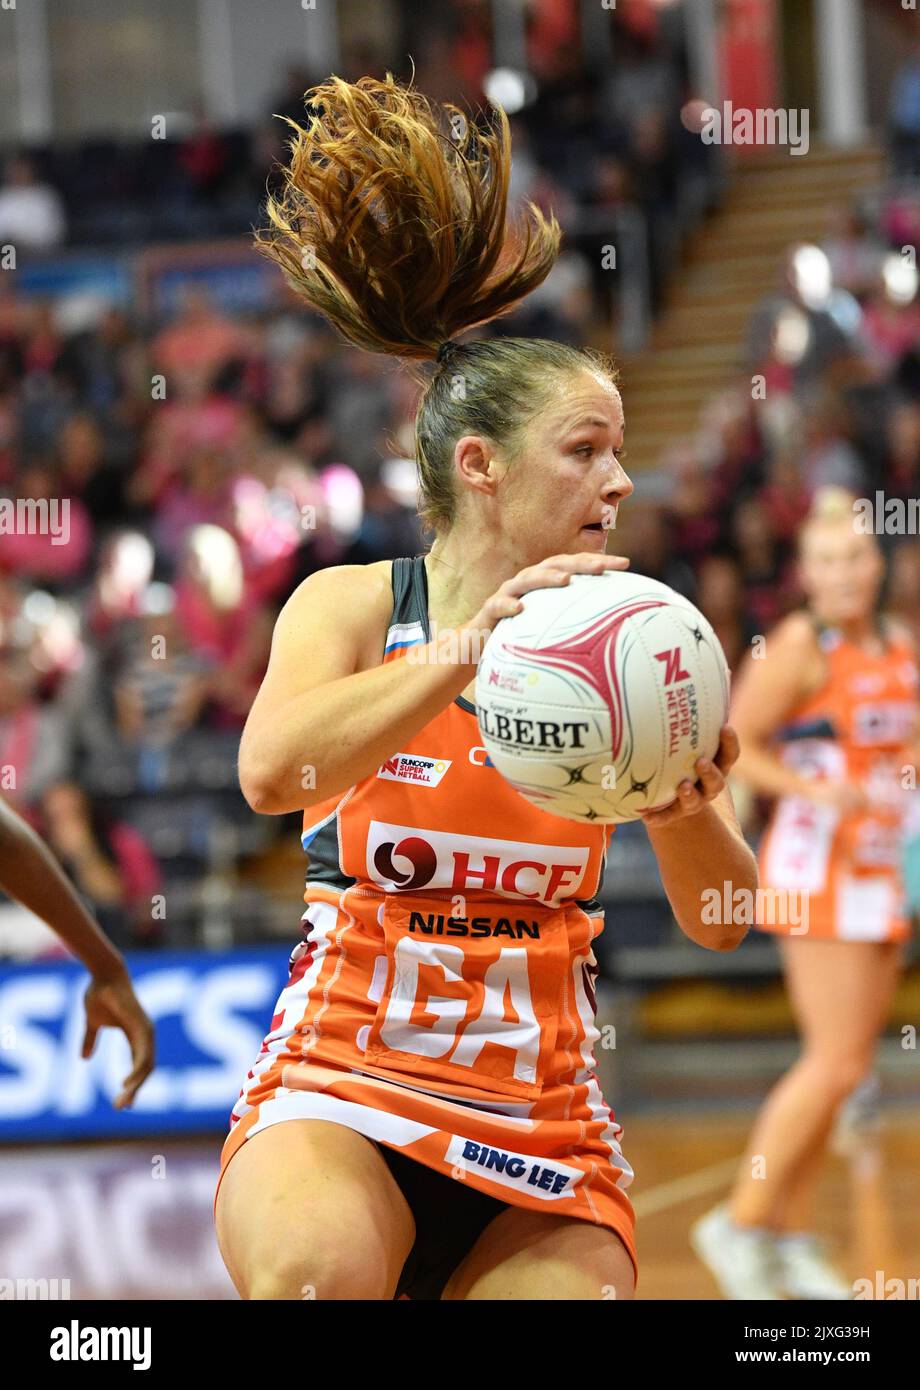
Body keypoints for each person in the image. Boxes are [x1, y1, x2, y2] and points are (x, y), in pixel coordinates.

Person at [214, 73, 756, 1302]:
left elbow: (727, 917)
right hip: (344, 1079)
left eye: (618, 451)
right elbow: (268, 776)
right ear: (481, 468)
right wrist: (455, 657)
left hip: (539, 1111)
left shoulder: (637, 651)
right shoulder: (355, 606)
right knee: (314, 1281)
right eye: (585, 450)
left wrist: (682, 806)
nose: (617, 482)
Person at [692, 487, 920, 1299]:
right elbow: (733, 745)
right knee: (832, 1063)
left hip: (884, 867)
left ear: (877, 560)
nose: (845, 573)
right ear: (806, 573)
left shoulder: (900, 642)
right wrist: (813, 790)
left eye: (856, 555)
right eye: (826, 560)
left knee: (848, 1064)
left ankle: (781, 1239)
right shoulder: (798, 642)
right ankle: (741, 1224)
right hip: (816, 867)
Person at [0, 794, 154, 1108]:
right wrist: (105, 967)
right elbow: (7, 843)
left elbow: (7, 844)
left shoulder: (113, 840)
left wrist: (106, 967)